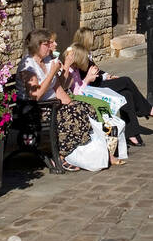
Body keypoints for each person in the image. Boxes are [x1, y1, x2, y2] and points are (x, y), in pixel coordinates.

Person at [18, 30, 117, 170]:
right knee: (72, 114)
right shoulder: (27, 66)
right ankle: (62, 156)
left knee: (86, 108)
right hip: (35, 109)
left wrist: (71, 102)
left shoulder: (46, 61)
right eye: (47, 44)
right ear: (37, 45)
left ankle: (97, 151)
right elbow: (36, 95)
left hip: (52, 105)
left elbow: (58, 88)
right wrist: (53, 72)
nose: (51, 46)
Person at [69, 27, 153, 146]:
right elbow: (84, 80)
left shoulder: (88, 53)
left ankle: (132, 133)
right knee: (126, 81)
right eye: (92, 37)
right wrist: (100, 77)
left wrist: (107, 75)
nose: (94, 40)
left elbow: (97, 71)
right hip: (93, 88)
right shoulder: (79, 54)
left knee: (127, 94)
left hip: (98, 82)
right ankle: (147, 109)